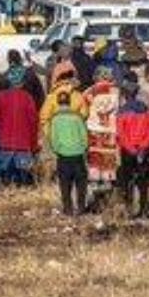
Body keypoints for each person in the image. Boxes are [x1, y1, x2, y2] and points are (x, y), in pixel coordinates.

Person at [115, 76, 149, 218]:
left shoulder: (122, 112)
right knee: (142, 181)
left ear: (125, 95)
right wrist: (144, 146)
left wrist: (131, 149)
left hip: (128, 151)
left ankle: (129, 209)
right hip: (142, 150)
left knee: (127, 180)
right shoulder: (145, 110)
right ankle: (144, 210)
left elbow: (121, 134)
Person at [0, 68, 40, 187]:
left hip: (4, 143)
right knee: (23, 178)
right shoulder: (28, 97)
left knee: (5, 177)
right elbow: (33, 121)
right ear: (22, 82)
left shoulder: (1, 96)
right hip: (23, 143)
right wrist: (34, 143)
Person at [47, 86, 90, 215]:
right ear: (69, 102)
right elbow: (84, 136)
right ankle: (81, 207)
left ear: (58, 102)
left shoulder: (55, 119)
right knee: (81, 183)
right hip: (78, 154)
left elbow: (53, 138)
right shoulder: (77, 117)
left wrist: (57, 150)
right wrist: (83, 148)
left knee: (65, 184)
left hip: (63, 155)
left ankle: (68, 208)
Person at [84, 68, 122, 206]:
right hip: (110, 130)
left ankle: (94, 186)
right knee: (108, 160)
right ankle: (108, 185)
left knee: (95, 160)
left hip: (94, 130)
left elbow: (84, 111)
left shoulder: (89, 92)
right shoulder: (117, 92)